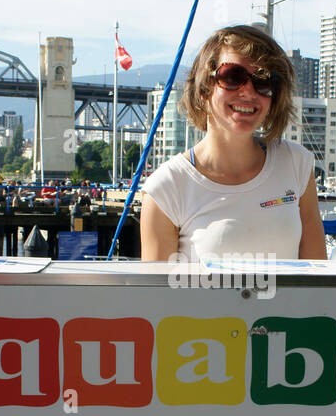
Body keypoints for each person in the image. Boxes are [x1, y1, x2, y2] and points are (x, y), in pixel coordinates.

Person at [139, 25, 324, 261]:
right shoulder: (166, 188)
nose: (248, 91)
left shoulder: (296, 164)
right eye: (233, 77)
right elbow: (157, 296)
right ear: (205, 87)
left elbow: (319, 280)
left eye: (263, 81)